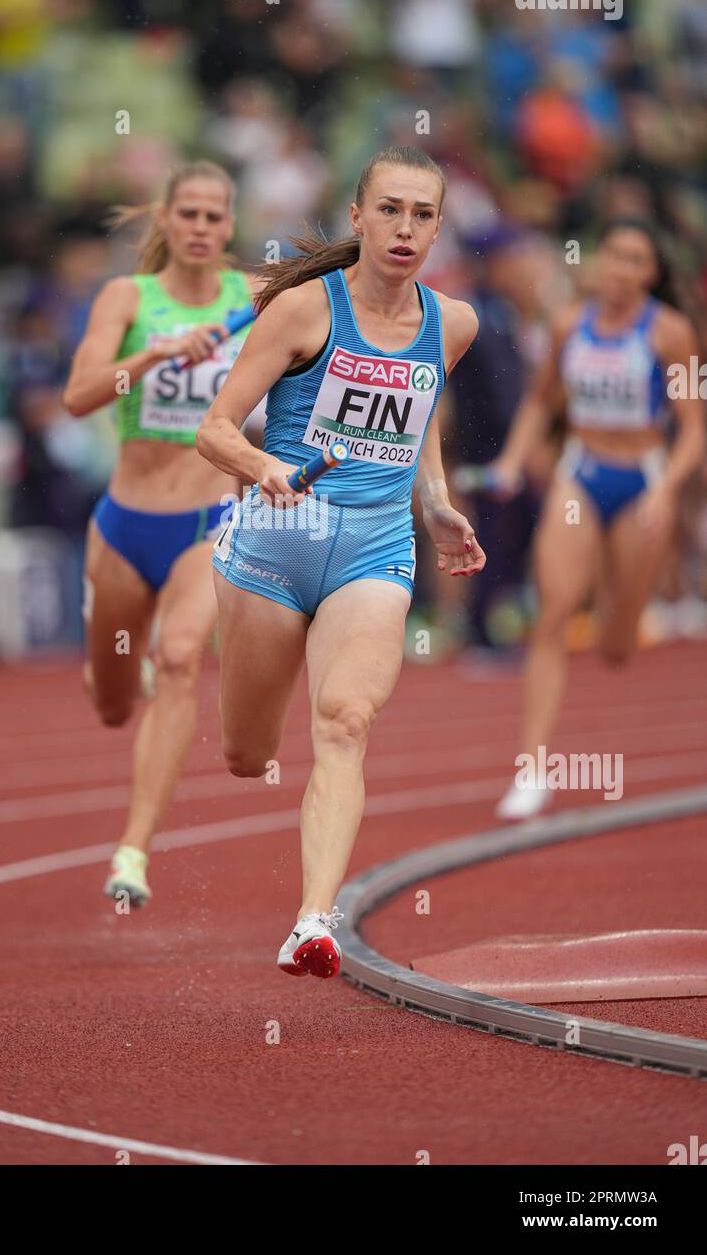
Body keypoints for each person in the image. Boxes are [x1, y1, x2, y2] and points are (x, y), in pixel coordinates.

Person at [197, 145, 485, 978]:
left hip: (375, 546)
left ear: (438, 227)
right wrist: (264, 467)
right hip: (274, 544)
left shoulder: (453, 323)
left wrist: (434, 502)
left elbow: (421, 413)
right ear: (358, 217)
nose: (405, 229)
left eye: (422, 215)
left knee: (345, 722)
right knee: (247, 755)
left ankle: (312, 922)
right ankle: (252, 753)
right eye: (389, 209)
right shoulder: (302, 311)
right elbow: (215, 428)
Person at [63, 160, 260, 906]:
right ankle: (114, 668)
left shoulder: (255, 299)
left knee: (180, 660)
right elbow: (79, 395)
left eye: (214, 216)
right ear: (166, 221)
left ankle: (133, 853)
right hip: (124, 525)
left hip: (209, 521)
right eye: (189, 214)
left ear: (230, 225)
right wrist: (154, 354)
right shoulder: (128, 297)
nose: (201, 228)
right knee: (113, 704)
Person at [491, 218, 705, 818]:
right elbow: (540, 401)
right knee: (554, 612)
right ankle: (533, 768)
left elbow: (693, 428)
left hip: (643, 481)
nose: (621, 269)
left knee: (616, 646)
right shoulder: (569, 324)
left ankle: (621, 619)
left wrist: (666, 491)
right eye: (614, 255)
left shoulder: (669, 332)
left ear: (651, 273)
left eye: (636, 259)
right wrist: (511, 460)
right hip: (580, 474)